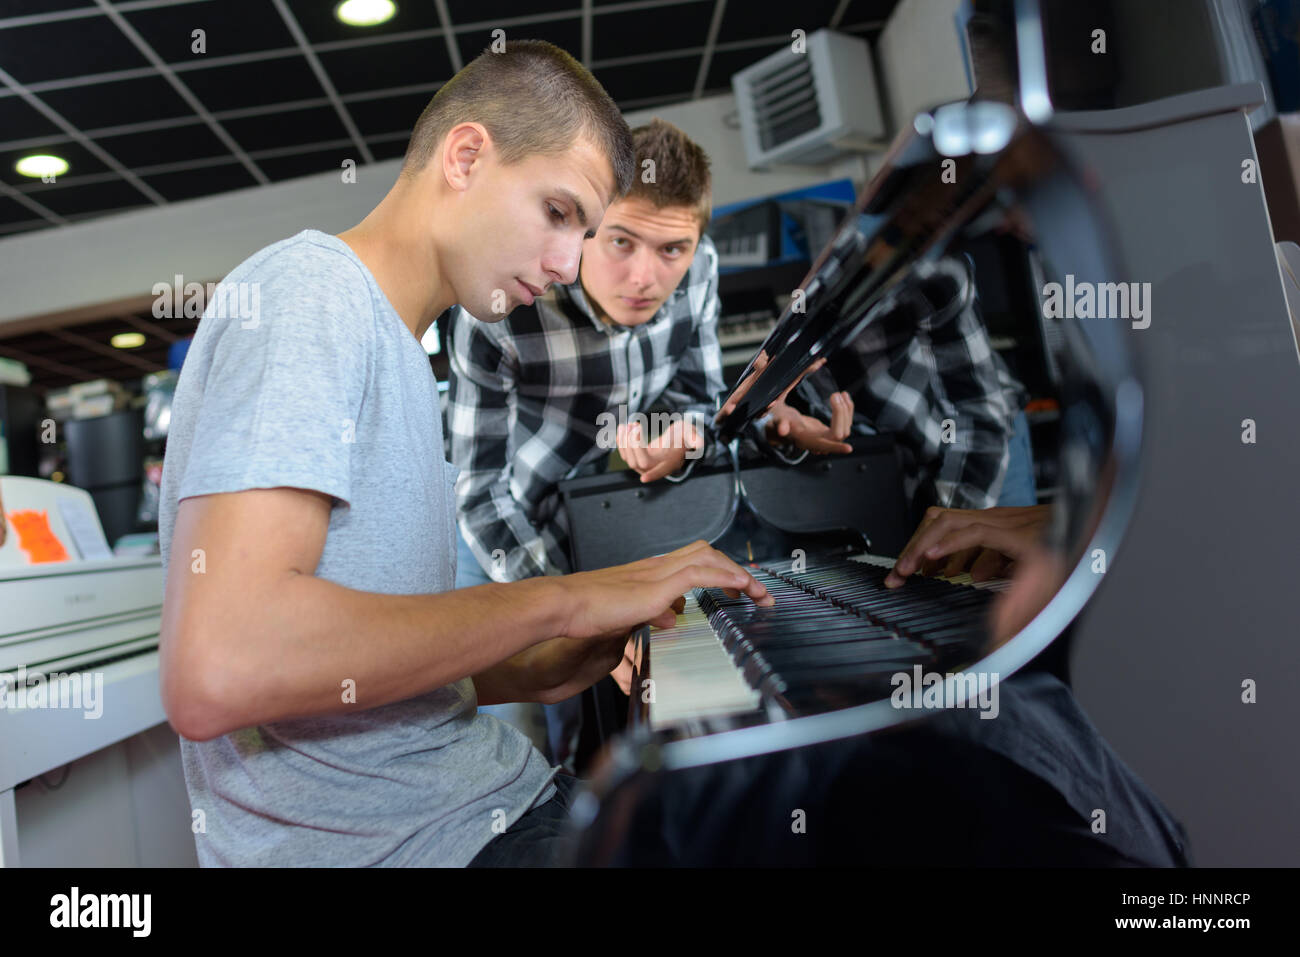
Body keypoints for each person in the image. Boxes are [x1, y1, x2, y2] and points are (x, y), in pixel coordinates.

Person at [156, 40, 771, 868]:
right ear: (467, 155)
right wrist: (562, 600)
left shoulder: (406, 352)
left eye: (583, 232)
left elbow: (364, 679)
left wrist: (561, 654)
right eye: (557, 213)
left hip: (483, 802)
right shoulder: (312, 297)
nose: (564, 264)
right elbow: (220, 667)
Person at [447, 118, 853, 768]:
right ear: (583, 224)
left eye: (672, 250)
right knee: (525, 740)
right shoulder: (495, 308)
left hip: (610, 516)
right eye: (621, 242)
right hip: (502, 532)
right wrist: (571, 611)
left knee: (621, 723)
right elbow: (480, 494)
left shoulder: (704, 269)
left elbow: (697, 395)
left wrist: (682, 439)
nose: (644, 277)